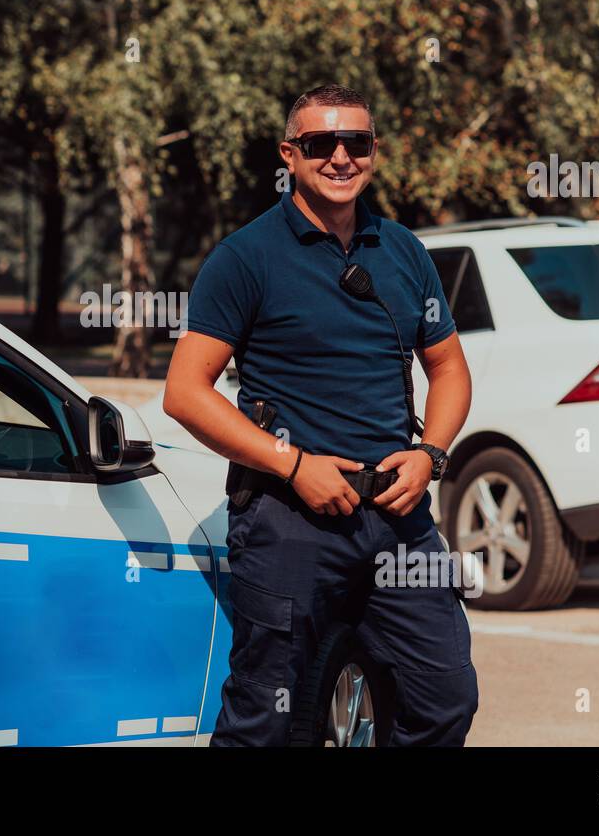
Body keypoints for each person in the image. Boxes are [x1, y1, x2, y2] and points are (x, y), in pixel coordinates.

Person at [163, 84, 478, 746]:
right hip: (290, 523)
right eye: (320, 144)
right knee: (266, 721)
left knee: (444, 700)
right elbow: (186, 391)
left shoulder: (403, 252)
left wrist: (432, 455)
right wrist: (295, 464)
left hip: (398, 520)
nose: (340, 157)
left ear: (373, 152)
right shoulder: (246, 258)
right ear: (290, 154)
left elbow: (448, 369)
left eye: (355, 143)